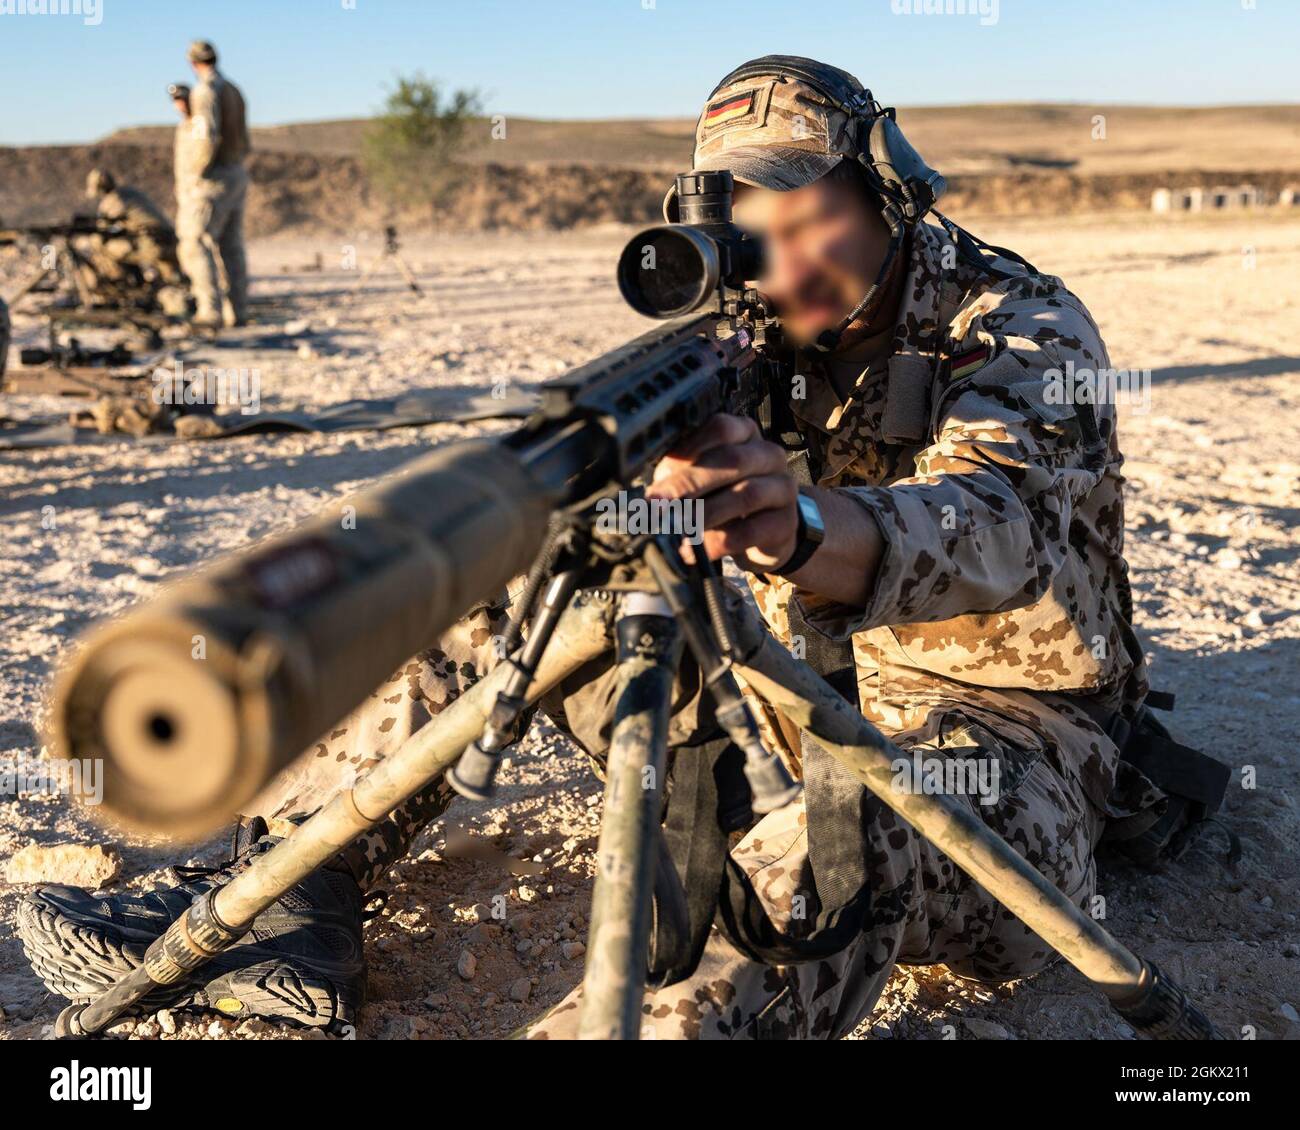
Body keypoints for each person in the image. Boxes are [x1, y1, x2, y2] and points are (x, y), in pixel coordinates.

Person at [18, 57, 1173, 1039]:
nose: (785, 262)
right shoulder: (746, 321)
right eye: (750, 231)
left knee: (838, 847)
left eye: (814, 216)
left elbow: (997, 524)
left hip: (1003, 733)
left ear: (885, 190)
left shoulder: (1014, 320)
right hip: (794, 679)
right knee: (520, 571)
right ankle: (296, 891)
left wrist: (804, 524)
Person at [174, 39, 250, 328]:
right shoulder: (234, 90)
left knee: (195, 241)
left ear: (193, 63)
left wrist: (197, 171)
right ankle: (238, 310)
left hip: (213, 177)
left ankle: (210, 311)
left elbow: (207, 135)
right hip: (235, 172)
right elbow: (244, 139)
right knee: (231, 245)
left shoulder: (205, 92)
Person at [80, 168, 182, 291]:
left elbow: (102, 229)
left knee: (98, 243)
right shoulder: (131, 192)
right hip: (171, 241)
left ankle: (125, 284)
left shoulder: (114, 199)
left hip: (152, 245)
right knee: (174, 282)